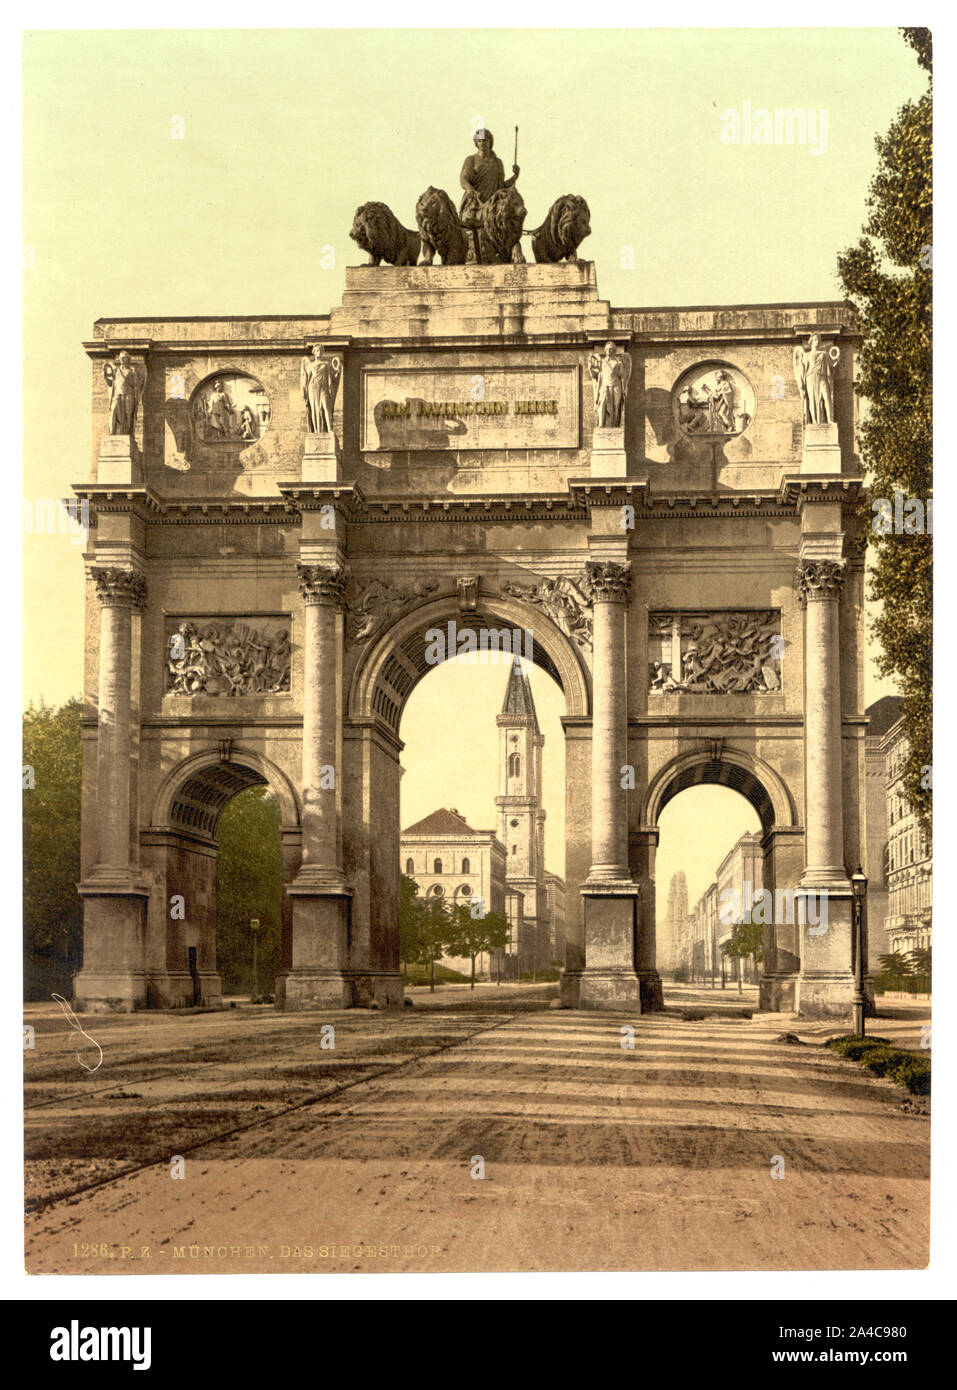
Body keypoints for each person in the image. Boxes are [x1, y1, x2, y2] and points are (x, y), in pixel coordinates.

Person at [459, 129, 520, 262]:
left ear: (490, 141)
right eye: (479, 141)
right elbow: (463, 179)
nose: (482, 143)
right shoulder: (471, 160)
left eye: (485, 140)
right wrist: (470, 190)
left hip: (493, 206)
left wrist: (515, 177)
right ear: (476, 143)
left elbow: (502, 186)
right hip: (476, 203)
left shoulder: (498, 162)